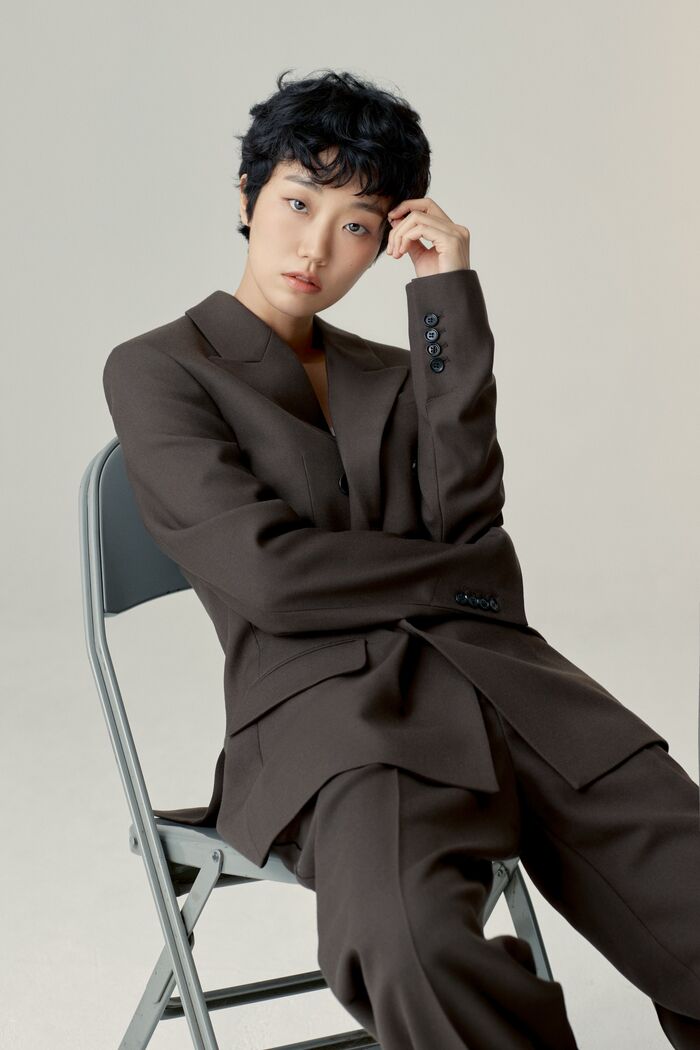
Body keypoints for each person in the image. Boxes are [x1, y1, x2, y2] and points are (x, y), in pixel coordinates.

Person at [103, 68, 700, 1049]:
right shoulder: (161, 367)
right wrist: (460, 581)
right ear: (247, 197)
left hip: (507, 686)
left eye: (357, 224)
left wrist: (443, 295)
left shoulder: (392, 369)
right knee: (409, 945)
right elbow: (274, 579)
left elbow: (467, 517)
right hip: (334, 718)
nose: (315, 246)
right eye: (298, 202)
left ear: (385, 239)